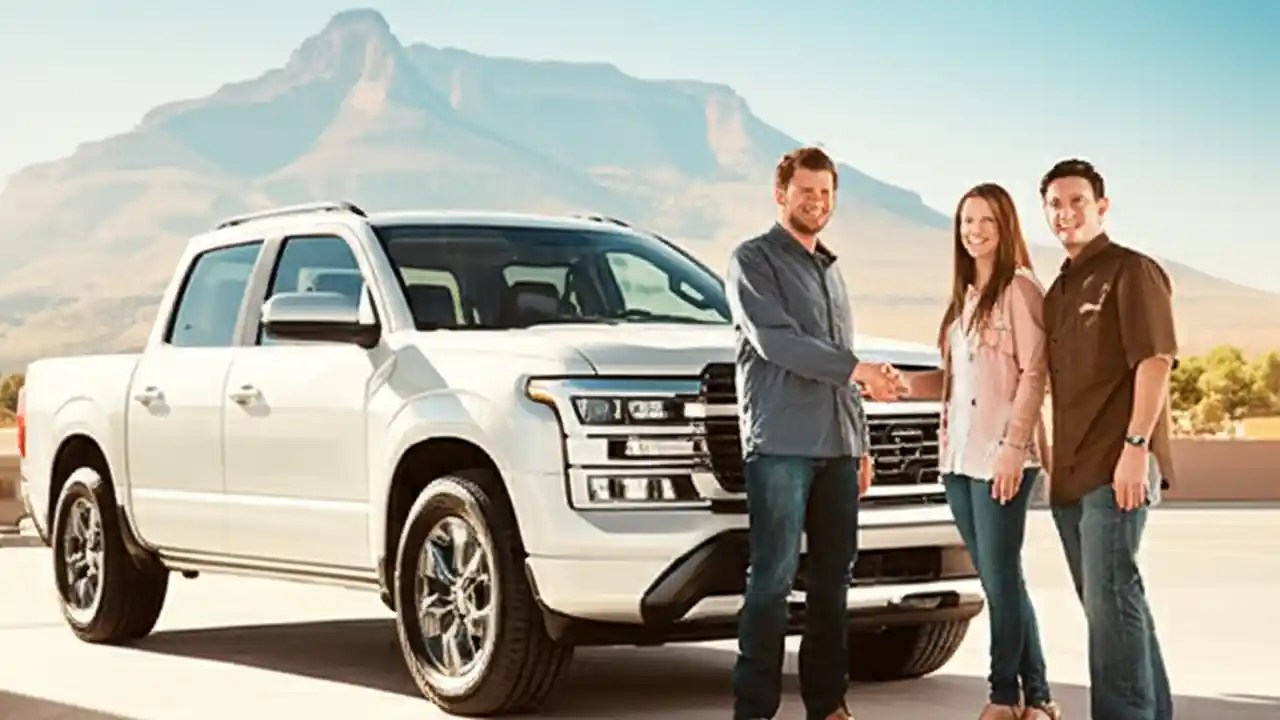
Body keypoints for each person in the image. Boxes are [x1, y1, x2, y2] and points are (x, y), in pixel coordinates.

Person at [724, 146, 906, 720]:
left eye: (826, 192)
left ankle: (828, 704)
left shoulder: (831, 269)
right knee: (773, 580)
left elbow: (839, 359)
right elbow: (777, 341)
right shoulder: (752, 260)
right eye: (806, 191)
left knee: (833, 582)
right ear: (781, 194)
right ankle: (754, 709)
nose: (817, 202)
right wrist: (859, 372)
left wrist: (861, 443)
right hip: (780, 444)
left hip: (836, 446)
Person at [903, 183, 1062, 720]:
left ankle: (1002, 696)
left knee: (1000, 578)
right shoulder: (963, 299)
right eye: (967, 221)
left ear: (1005, 226)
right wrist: (891, 383)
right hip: (958, 462)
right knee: (1002, 579)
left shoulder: (1019, 290)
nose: (974, 231)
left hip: (1002, 458)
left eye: (986, 221)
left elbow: (1035, 373)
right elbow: (953, 382)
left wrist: (1015, 449)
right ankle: (1039, 698)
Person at [1039, 158, 1175, 720]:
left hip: (1117, 467)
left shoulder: (1131, 271)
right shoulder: (1058, 290)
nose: (1066, 212)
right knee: (1112, 606)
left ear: (1102, 206)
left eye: (1077, 200)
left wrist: (1136, 448)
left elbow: (1155, 360)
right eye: (1054, 204)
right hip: (1070, 474)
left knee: (1112, 598)